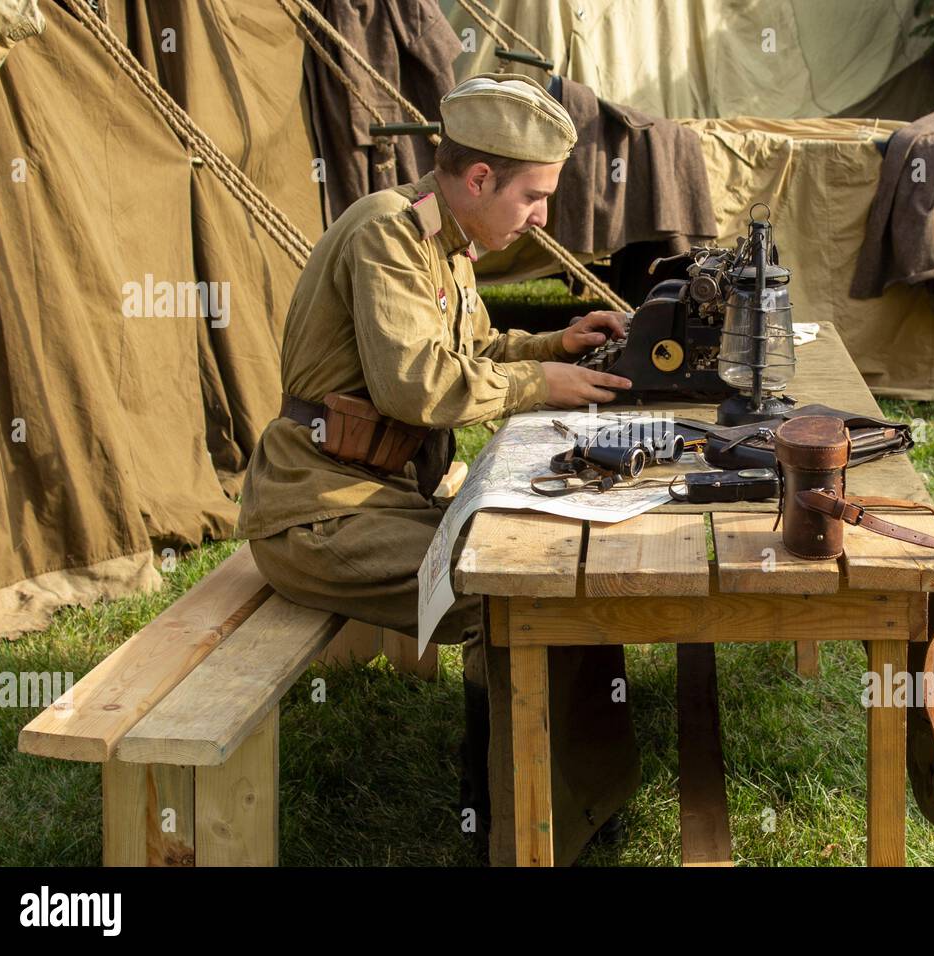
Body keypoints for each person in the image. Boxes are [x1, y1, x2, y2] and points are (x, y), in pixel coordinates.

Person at [237, 73, 642, 865]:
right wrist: (541, 384)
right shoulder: (388, 235)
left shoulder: (438, 239)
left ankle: (579, 803)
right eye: (534, 196)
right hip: (320, 514)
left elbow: (472, 348)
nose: (541, 217)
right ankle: (509, 820)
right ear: (480, 177)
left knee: (559, 566)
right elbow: (416, 386)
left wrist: (555, 345)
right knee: (512, 594)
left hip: (379, 498)